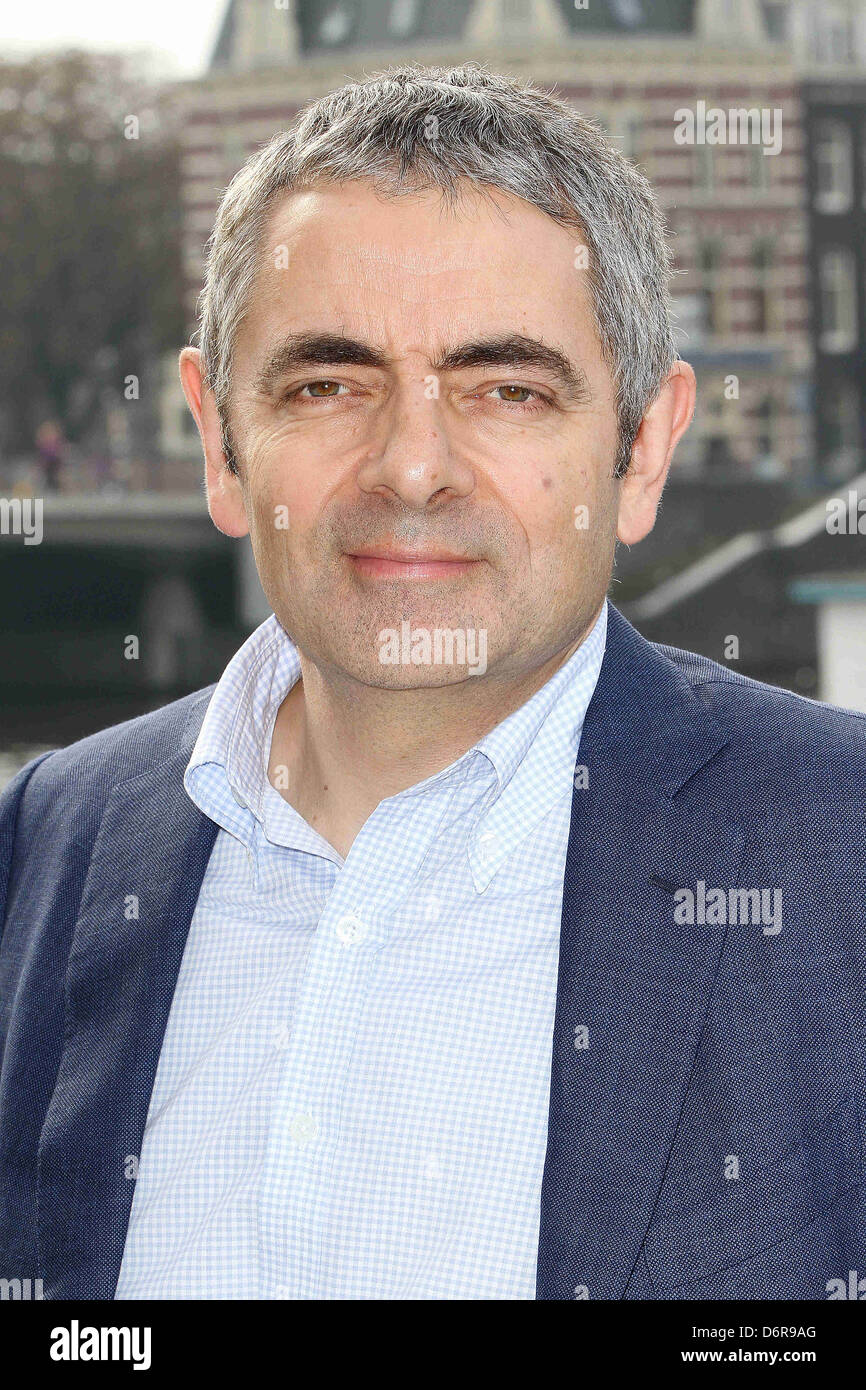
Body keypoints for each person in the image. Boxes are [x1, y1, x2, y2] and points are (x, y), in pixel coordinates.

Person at [1, 63, 863, 1302]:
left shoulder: (840, 860)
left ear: (640, 450)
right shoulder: (47, 850)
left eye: (504, 388)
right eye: (327, 385)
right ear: (220, 440)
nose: (411, 467)